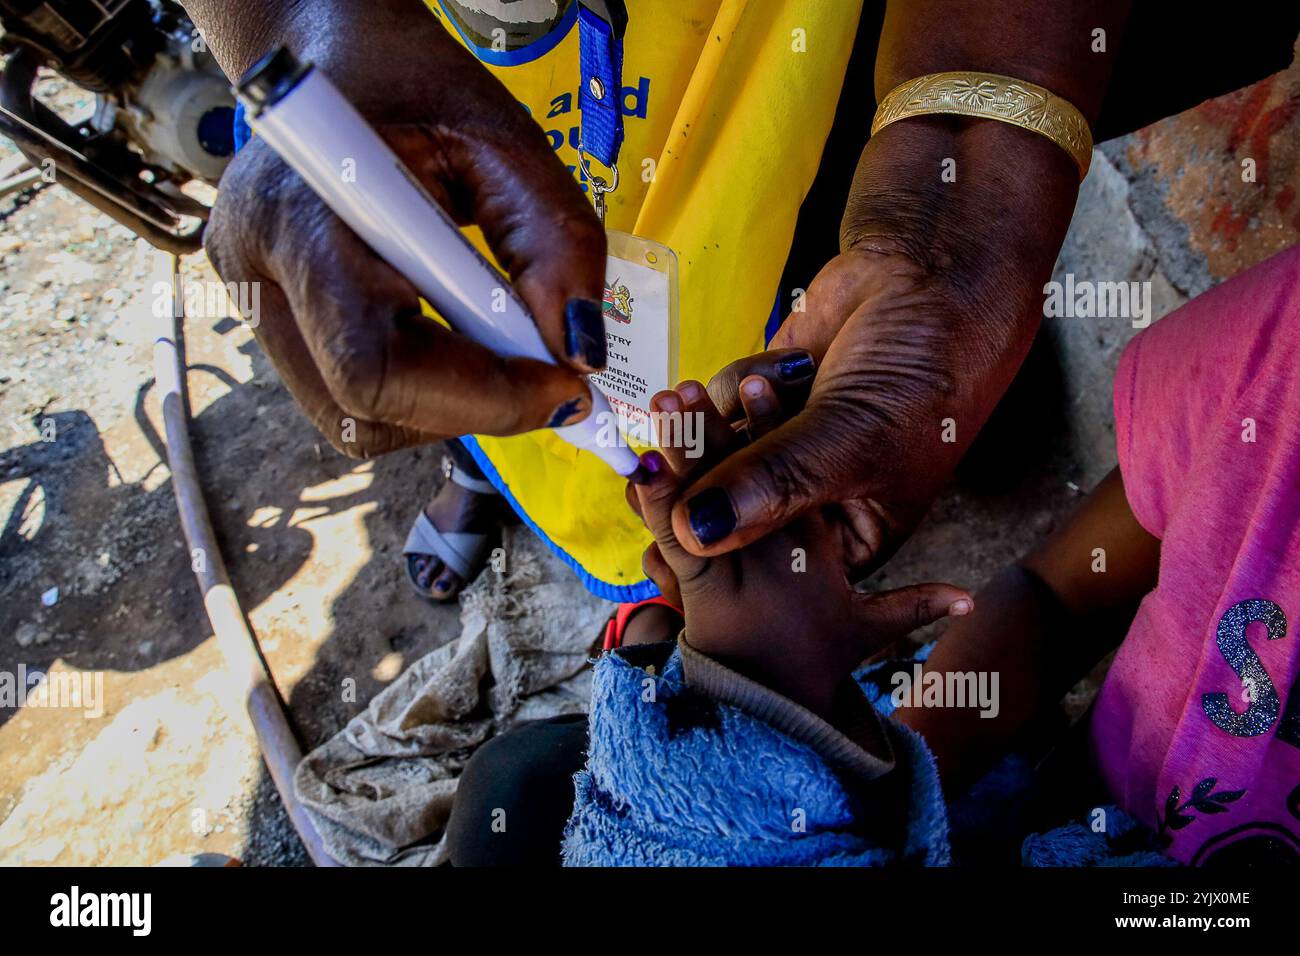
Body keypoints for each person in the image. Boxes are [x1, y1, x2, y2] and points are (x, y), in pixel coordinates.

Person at [182, 0, 1300, 604]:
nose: (703, 558)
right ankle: (483, 460)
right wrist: (297, 22)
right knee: (472, 354)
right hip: (442, 129)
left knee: (827, 323)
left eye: (671, 677)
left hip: (809, 85)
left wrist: (959, 229)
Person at [448, 244, 1300, 866]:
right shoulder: (1275, 377)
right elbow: (1055, 598)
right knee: (516, 797)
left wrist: (778, 756)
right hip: (1072, 799)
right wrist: (850, 755)